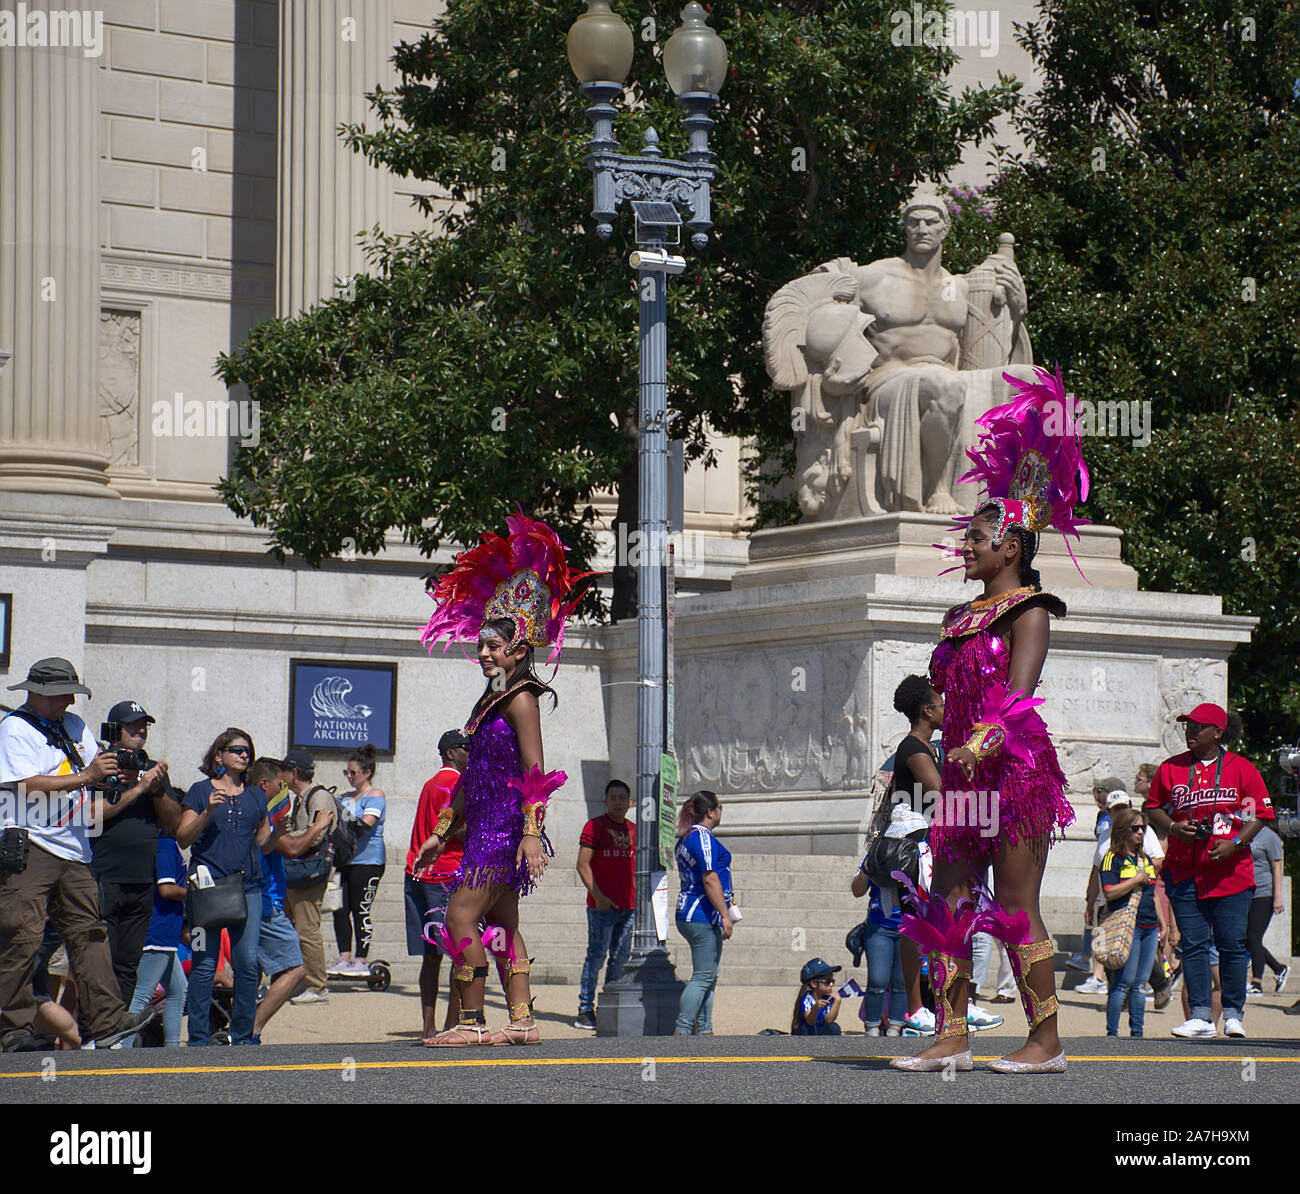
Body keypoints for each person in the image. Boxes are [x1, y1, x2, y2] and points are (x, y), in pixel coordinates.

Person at [892, 366, 1085, 1074]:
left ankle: (1045, 1040)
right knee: (948, 901)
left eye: (977, 538)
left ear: (1012, 546)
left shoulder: (1029, 608)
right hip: (963, 772)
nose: (965, 547)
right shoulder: (956, 617)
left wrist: (984, 739)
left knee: (1012, 906)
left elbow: (1020, 694)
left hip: (1016, 771)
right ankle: (952, 1032)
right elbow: (945, 697)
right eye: (967, 538)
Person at [412, 512, 589, 1046]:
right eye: (483, 643)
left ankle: (470, 1024)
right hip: (483, 823)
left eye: (494, 645)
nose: (484, 652)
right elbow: (473, 776)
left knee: (460, 919)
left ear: (519, 647)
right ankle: (523, 1021)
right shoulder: (490, 702)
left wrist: (532, 835)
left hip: (503, 828)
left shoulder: (522, 699)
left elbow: (536, 773)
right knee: (504, 925)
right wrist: (441, 834)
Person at [0, 658, 158, 1052]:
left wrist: (112, 774)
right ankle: (11, 1028)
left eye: (72, 693)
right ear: (37, 693)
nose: (70, 700)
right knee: (22, 935)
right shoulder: (15, 730)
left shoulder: (73, 725)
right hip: (31, 841)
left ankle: (105, 1022)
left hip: (74, 845)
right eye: (62, 695)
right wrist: (88, 776)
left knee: (90, 932)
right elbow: (24, 785)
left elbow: (93, 768)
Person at [1146, 702, 1275, 1040]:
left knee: (1232, 944)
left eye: (1198, 727)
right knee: (1195, 944)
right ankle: (1200, 1015)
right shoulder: (1170, 768)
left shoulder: (1242, 769)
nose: (1190, 732)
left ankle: (1233, 1014)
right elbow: (1153, 807)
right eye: (1187, 726)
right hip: (1185, 872)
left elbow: (1259, 813)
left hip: (1231, 873)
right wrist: (1174, 827)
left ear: (1217, 733)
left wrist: (1236, 843)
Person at [176, 727, 269, 1046]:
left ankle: (243, 1035)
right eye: (237, 750)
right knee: (203, 963)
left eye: (248, 751)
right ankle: (199, 1038)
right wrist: (208, 812)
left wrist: (281, 832)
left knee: (246, 963)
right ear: (219, 756)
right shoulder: (200, 791)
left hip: (249, 888)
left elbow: (263, 841)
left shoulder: (256, 794)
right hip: (206, 890)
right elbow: (184, 837)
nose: (244, 755)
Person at [90, 700, 181, 1008]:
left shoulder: (149, 768)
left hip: (142, 881)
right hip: (104, 878)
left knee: (128, 966)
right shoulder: (99, 766)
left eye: (144, 725)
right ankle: (90, 1036)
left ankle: (116, 1035)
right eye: (132, 725)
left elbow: (173, 824)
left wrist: (155, 789)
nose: (141, 730)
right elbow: (91, 815)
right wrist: (139, 789)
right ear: (115, 730)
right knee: (99, 965)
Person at [405, 731, 469, 1042]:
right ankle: (451, 1026)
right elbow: (450, 827)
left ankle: (429, 1027)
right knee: (462, 953)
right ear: (450, 752)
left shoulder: (431, 783)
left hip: (419, 874)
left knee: (432, 956)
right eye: (465, 748)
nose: (470, 754)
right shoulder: (454, 782)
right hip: (445, 874)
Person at [245, 757, 305, 1043]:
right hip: (266, 903)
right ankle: (252, 1029)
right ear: (264, 784)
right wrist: (318, 827)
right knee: (295, 968)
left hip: (262, 899)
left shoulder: (258, 811)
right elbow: (290, 848)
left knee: (251, 973)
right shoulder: (263, 814)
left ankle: (240, 1027)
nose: (285, 793)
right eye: (281, 786)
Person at [1099, 807, 1168, 1038]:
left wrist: (1164, 924)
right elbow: (1109, 892)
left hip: (1149, 926)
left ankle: (1137, 1031)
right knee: (1123, 981)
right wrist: (1136, 879)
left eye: (1143, 828)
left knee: (1140, 983)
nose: (1140, 833)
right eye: (1135, 828)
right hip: (1127, 926)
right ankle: (1112, 1031)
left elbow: (1155, 894)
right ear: (1123, 830)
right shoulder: (1113, 858)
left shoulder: (1145, 859)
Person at [573, 778, 635, 1031]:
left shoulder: (635, 829)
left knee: (619, 961)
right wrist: (598, 896)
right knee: (596, 958)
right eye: (614, 798)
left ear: (630, 802)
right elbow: (582, 864)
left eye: (623, 798)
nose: (618, 802)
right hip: (601, 907)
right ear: (606, 801)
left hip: (628, 907)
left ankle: (608, 1007)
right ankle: (585, 1009)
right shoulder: (594, 826)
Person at [673, 791, 733, 1037]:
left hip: (690, 911)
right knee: (703, 976)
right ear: (710, 812)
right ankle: (683, 1028)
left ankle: (705, 1029)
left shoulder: (686, 837)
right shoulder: (702, 837)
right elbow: (709, 877)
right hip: (701, 913)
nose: (721, 812)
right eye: (720, 808)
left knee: (710, 975)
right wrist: (725, 914)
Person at [124, 828, 189, 1047]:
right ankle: (121, 1049)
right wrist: (196, 894)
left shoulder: (164, 843)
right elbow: (167, 889)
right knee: (142, 994)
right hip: (158, 932)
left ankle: (171, 1050)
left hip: (166, 933)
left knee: (178, 991)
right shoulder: (165, 845)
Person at [281, 749, 335, 1006]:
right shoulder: (302, 798)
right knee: (296, 928)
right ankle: (301, 978)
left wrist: (289, 836)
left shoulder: (319, 795)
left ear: (294, 772)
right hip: (298, 870)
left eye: (284, 770)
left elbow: (319, 833)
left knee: (307, 929)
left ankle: (317, 985)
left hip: (309, 872)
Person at [330, 743, 387, 977]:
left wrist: (342, 822)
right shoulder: (344, 798)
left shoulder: (375, 795)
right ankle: (344, 958)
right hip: (346, 862)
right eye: (347, 772)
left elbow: (365, 825)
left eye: (353, 772)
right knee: (340, 909)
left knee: (360, 909)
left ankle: (361, 959)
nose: (349, 777)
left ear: (367, 773)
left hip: (369, 861)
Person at [1246, 820, 1287, 995]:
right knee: (1245, 938)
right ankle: (1278, 968)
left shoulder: (1270, 837)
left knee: (1253, 937)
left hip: (1264, 892)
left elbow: (1277, 866)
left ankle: (1257, 982)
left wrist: (1278, 896)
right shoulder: (1242, 834)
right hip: (1245, 892)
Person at [792, 958, 843, 1036]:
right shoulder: (807, 998)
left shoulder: (828, 998)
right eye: (828, 982)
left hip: (822, 1029)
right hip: (809, 1030)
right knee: (807, 1029)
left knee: (833, 1027)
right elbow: (810, 1021)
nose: (831, 985)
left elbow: (829, 1020)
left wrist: (837, 1001)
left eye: (832, 981)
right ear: (814, 984)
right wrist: (815, 1008)